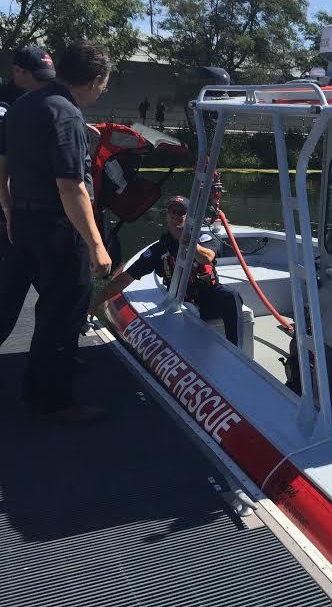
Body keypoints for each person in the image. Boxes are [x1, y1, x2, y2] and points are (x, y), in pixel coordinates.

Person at [5, 40, 113, 422]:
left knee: (48, 309)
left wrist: (9, 212)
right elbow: (72, 187)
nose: (103, 91)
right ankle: (53, 404)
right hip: (56, 227)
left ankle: (35, 389)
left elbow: (4, 166)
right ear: (95, 79)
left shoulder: (23, 105)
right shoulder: (65, 114)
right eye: (104, 83)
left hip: (24, 221)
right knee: (62, 313)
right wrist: (96, 245)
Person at [91, 195, 244, 347]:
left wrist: (191, 244)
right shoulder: (158, 250)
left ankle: (237, 349)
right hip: (182, 300)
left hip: (209, 297)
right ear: (167, 215)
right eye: (172, 211)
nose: (176, 216)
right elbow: (125, 278)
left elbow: (207, 258)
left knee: (230, 295)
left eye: (181, 212)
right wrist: (97, 301)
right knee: (187, 312)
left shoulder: (203, 238)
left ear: (190, 217)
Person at [0, 47, 57, 348]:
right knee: (10, 296)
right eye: (37, 77)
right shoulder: (11, 105)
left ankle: (60, 351)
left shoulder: (43, 103)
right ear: (17, 72)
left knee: (54, 293)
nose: (42, 84)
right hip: (11, 211)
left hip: (26, 215)